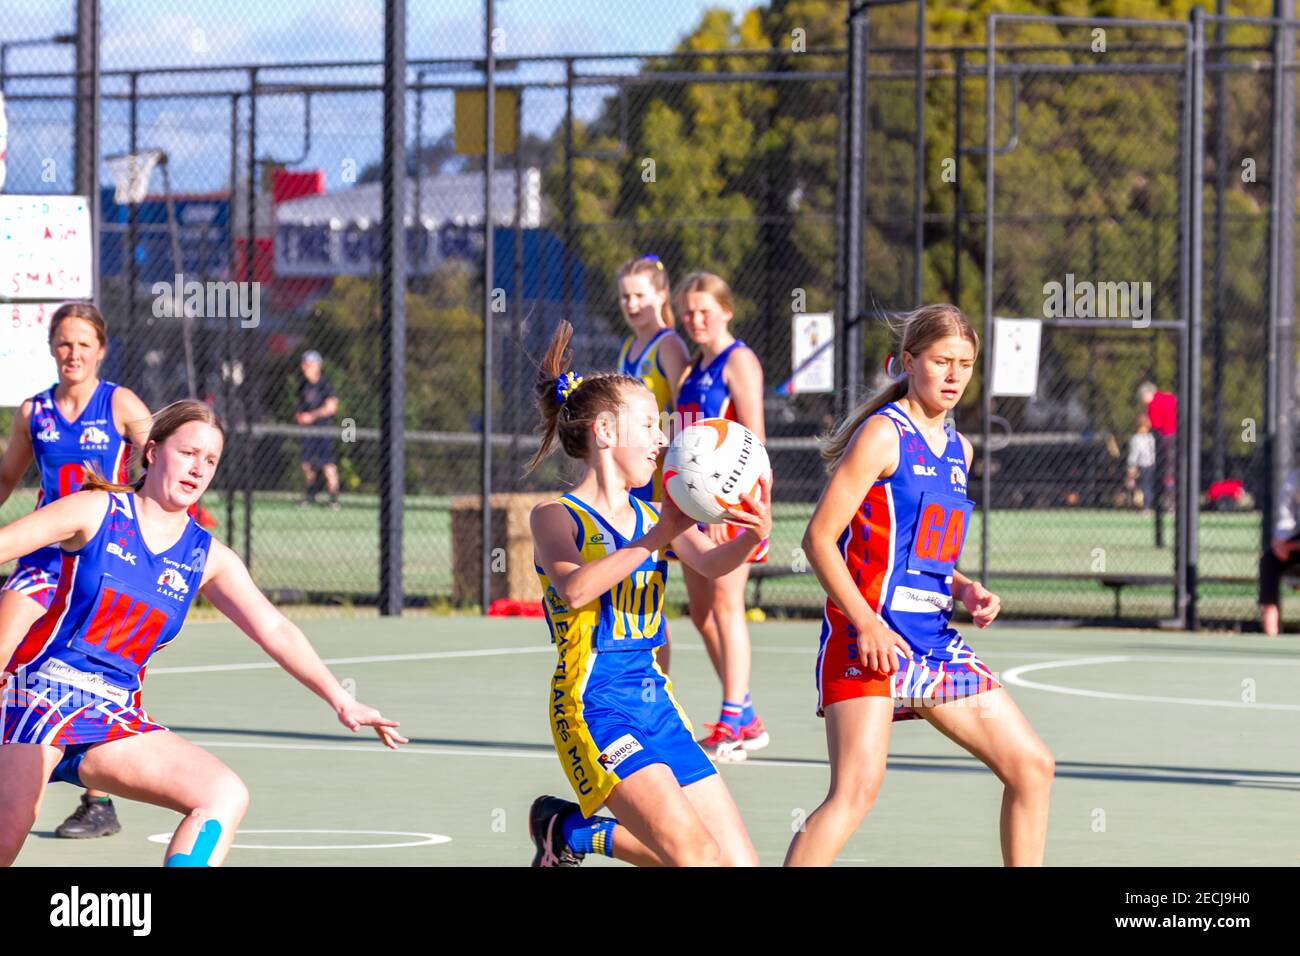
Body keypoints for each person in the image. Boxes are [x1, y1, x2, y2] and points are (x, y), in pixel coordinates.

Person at [0, 400, 405, 867]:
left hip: (111, 713)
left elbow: (273, 627)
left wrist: (341, 698)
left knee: (223, 793)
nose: (199, 468)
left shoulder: (205, 556)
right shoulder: (96, 510)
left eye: (210, 460)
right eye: (188, 453)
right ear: (152, 452)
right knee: (11, 823)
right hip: (39, 696)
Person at [785, 304, 1055, 867]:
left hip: (931, 643)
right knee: (854, 794)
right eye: (941, 361)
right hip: (869, 640)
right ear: (909, 362)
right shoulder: (884, 436)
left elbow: (919, 552)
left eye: (966, 364)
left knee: (1032, 767)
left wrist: (963, 588)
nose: (955, 375)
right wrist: (866, 623)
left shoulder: (961, 449)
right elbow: (819, 539)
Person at [526, 321, 772, 867]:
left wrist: (752, 537)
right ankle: (571, 830)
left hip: (656, 703)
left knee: (737, 864)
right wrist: (658, 535)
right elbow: (575, 588)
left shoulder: (652, 515)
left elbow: (708, 562)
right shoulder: (554, 516)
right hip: (594, 707)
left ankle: (568, 831)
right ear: (606, 432)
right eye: (650, 425)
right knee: (693, 856)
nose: (663, 440)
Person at [0, 303, 153, 840]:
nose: (74, 353)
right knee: (2, 653)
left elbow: (162, 458)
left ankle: (99, 801)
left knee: (95, 670)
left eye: (84, 344)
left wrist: (134, 504)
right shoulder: (32, 412)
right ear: (51, 348)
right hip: (43, 558)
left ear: (101, 350)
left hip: (100, 563)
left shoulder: (121, 404)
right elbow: (6, 477)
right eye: (65, 343)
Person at [673, 272, 769, 761]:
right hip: (692, 507)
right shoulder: (693, 366)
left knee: (728, 607)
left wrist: (728, 504)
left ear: (727, 311)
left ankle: (732, 720)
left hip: (730, 506)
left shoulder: (740, 361)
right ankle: (747, 715)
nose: (696, 320)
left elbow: (754, 439)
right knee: (701, 612)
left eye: (705, 310)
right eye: (688, 312)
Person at [614, 253, 690, 672]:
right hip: (633, 482)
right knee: (639, 590)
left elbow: (686, 411)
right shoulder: (629, 346)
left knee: (651, 589)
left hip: (660, 483)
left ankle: (659, 687)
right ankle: (644, 684)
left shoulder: (669, 345)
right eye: (625, 296)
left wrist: (677, 474)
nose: (631, 304)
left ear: (660, 295)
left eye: (639, 295)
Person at [1259, 465, 1300, 637]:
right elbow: (1286, 516)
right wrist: (1280, 542)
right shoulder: (1295, 479)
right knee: (1269, 561)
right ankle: (1271, 633)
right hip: (1295, 540)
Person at [296, 350, 339, 510]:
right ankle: (310, 494)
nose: (304, 367)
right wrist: (301, 416)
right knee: (306, 464)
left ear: (317, 366)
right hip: (308, 431)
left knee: (327, 464)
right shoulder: (303, 385)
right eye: (304, 364)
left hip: (323, 430)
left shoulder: (324, 384)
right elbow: (302, 407)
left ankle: (333, 498)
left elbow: (332, 407)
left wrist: (311, 417)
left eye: (308, 364)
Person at [1138, 381, 1176, 513]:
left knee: (1167, 471)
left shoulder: (1153, 403)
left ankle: (1169, 502)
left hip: (1167, 437)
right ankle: (1171, 501)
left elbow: (1155, 424)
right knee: (1171, 470)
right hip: (1178, 435)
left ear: (1147, 393)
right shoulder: (1169, 397)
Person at [1124, 413, 1155, 513]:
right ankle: (1146, 505)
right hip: (1150, 464)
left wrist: (1131, 466)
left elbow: (1134, 454)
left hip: (1143, 465)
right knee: (1147, 485)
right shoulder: (1151, 438)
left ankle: (1146, 507)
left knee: (1145, 485)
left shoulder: (1136, 439)